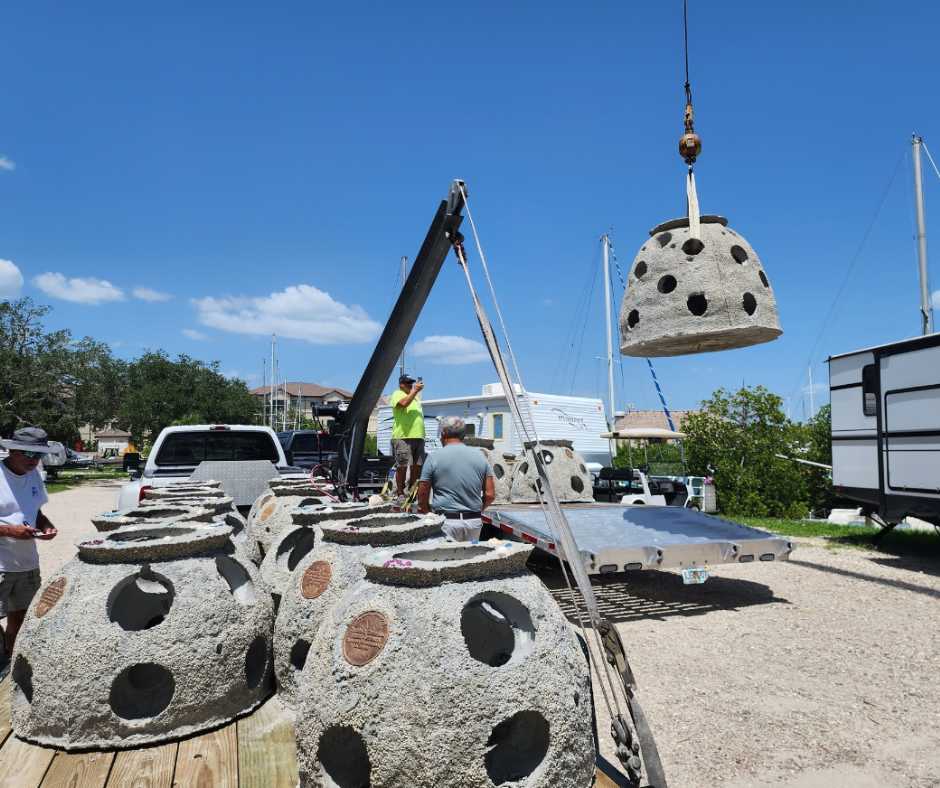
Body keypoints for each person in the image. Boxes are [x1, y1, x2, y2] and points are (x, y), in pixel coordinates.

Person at [0, 426, 58, 663]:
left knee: (22, 618)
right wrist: (9, 531)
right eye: (29, 454)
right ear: (11, 450)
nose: (34, 460)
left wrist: (46, 526)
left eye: (39, 455)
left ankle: (12, 663)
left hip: (27, 565)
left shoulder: (34, 475)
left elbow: (35, 511)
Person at [417, 416, 495, 542]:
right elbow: (490, 495)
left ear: (443, 434)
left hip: (446, 522)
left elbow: (423, 492)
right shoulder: (481, 457)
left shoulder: (433, 458)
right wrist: (476, 510)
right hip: (474, 522)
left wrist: (427, 512)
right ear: (463, 435)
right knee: (471, 560)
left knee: (447, 560)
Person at [390, 373, 425, 498]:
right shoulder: (397, 394)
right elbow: (403, 404)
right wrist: (415, 391)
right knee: (403, 465)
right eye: (408, 383)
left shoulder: (415, 398)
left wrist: (414, 393)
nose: (411, 385)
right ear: (401, 385)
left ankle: (412, 491)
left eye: (412, 383)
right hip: (403, 437)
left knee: (417, 465)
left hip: (418, 436)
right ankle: (400, 492)